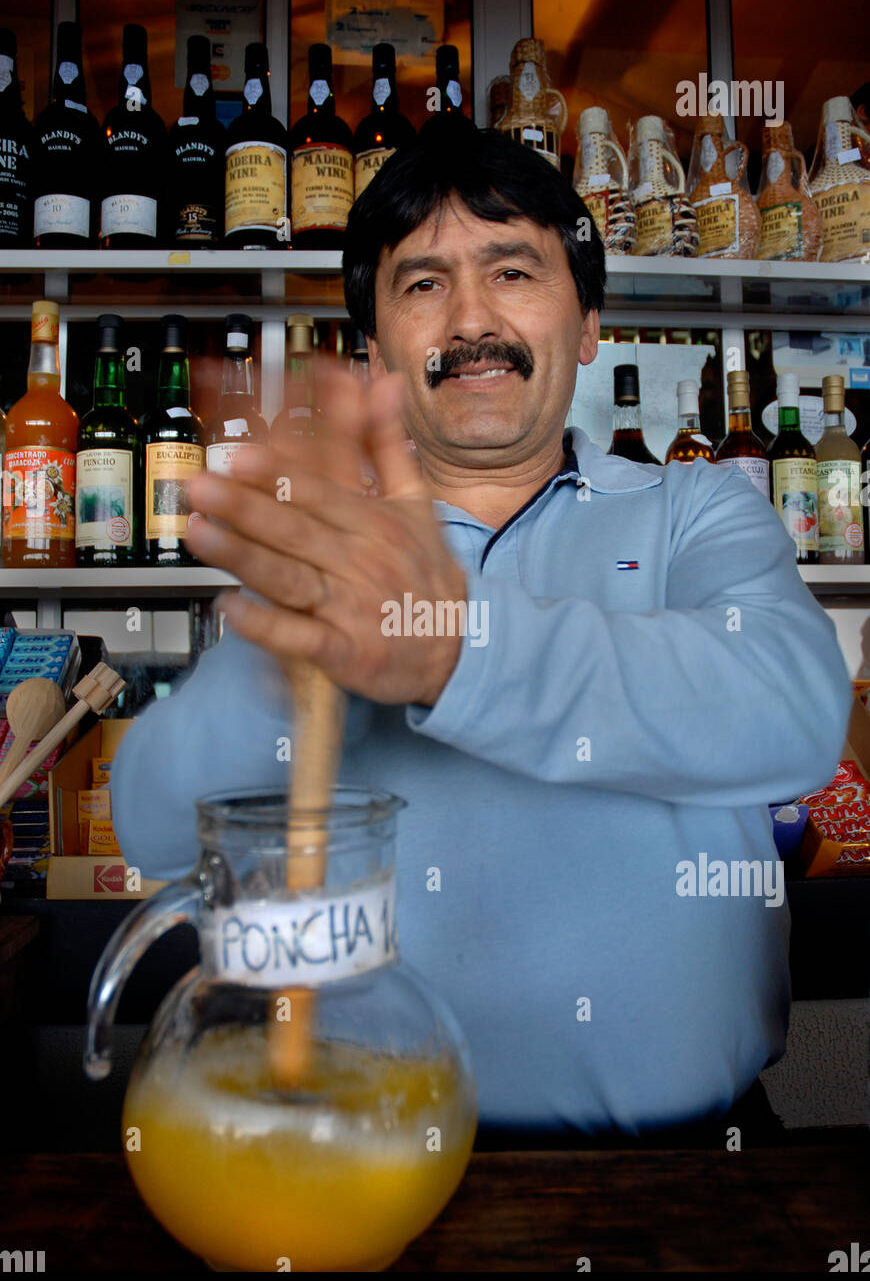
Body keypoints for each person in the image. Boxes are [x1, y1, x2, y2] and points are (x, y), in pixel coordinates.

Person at [111, 128, 853, 1148]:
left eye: (512, 270)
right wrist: (291, 651)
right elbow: (153, 824)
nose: (470, 320)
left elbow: (799, 707)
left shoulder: (699, 507)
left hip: (690, 1184)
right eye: (421, 284)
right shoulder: (342, 555)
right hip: (367, 1172)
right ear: (371, 351)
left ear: (589, 323)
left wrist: (450, 643)